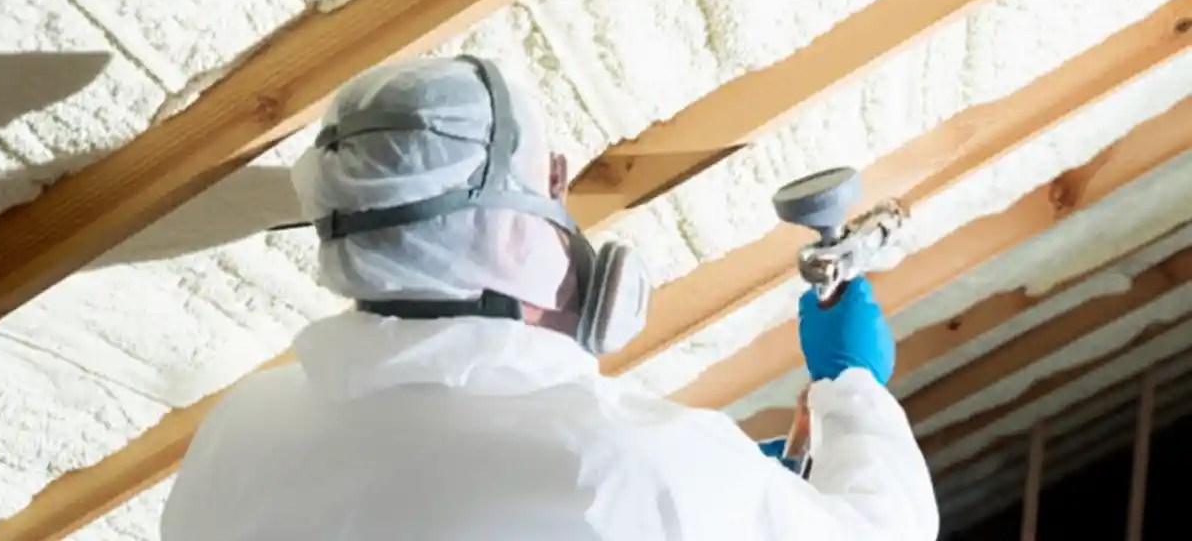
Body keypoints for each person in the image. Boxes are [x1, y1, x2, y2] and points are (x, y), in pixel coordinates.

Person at [160, 55, 938, 540]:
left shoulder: (241, 433)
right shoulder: (640, 467)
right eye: (550, 184)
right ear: (505, 225)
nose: (568, 209)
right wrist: (854, 387)